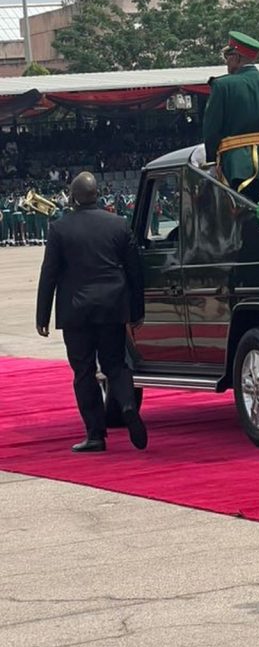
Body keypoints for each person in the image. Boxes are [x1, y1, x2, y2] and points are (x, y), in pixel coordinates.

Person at [35, 172, 147, 453]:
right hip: (112, 307)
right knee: (116, 364)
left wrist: (42, 316)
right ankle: (128, 405)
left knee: (84, 371)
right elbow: (135, 271)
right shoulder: (118, 224)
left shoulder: (60, 228)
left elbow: (49, 274)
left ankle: (96, 435)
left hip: (76, 311)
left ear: (73, 198)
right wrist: (137, 311)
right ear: (97, 195)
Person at [202, 31, 259, 203]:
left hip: (236, 164)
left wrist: (211, 161)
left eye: (228, 57)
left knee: (240, 209)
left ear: (236, 57)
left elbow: (212, 128)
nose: (227, 62)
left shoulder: (222, 85)